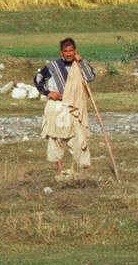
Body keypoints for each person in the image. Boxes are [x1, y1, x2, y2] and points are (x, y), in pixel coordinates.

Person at [35, 37, 96, 175]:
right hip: (57, 105)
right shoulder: (53, 66)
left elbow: (91, 77)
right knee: (55, 137)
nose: (68, 54)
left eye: (71, 51)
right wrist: (48, 92)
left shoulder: (80, 64)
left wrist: (80, 61)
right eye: (65, 51)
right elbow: (38, 78)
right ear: (61, 52)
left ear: (75, 50)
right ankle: (59, 167)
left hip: (74, 106)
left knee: (79, 136)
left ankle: (84, 167)